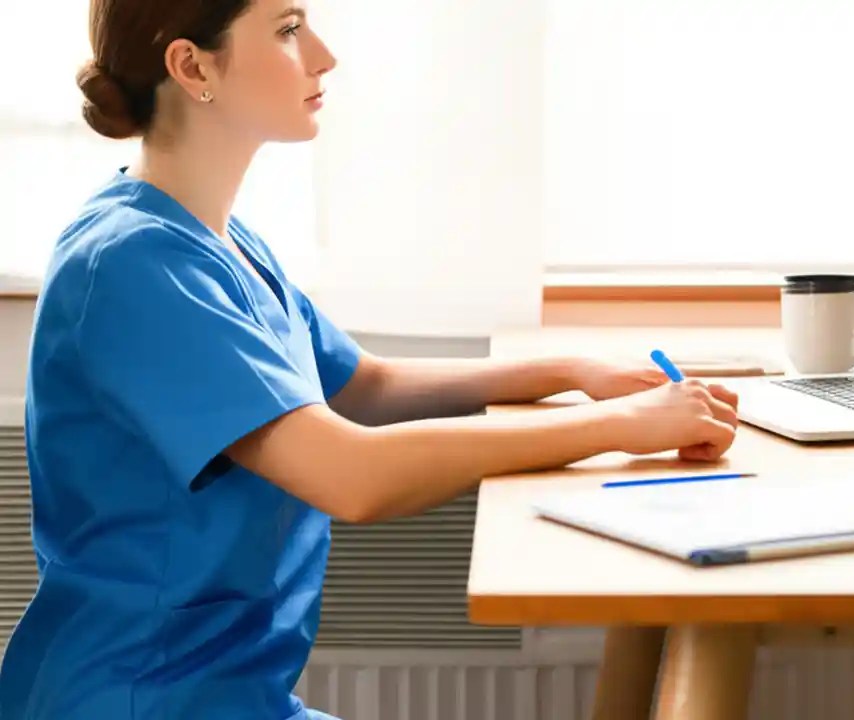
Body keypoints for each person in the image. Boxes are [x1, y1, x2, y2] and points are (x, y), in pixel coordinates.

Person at [0, 1, 740, 717]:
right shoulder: (133, 266)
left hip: (222, 698)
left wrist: (571, 371)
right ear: (194, 66)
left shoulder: (215, 239)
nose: (324, 56)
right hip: (138, 701)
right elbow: (351, 476)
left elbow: (364, 386)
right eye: (288, 29)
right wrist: (618, 427)